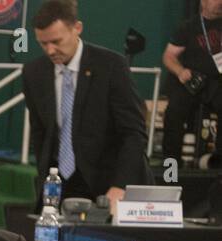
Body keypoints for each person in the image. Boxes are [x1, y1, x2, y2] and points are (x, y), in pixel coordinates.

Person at [21, 0, 150, 204]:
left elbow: (134, 133)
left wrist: (120, 186)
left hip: (107, 184)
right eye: (43, 43)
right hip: (59, 184)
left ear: (77, 28)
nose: (50, 50)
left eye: (56, 41)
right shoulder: (33, 73)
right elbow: (40, 132)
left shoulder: (111, 67)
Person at [162, 0, 222, 165]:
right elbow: (168, 56)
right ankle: (170, 171)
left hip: (216, 82)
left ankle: (217, 166)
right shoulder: (188, 27)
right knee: (174, 114)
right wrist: (181, 71)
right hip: (191, 80)